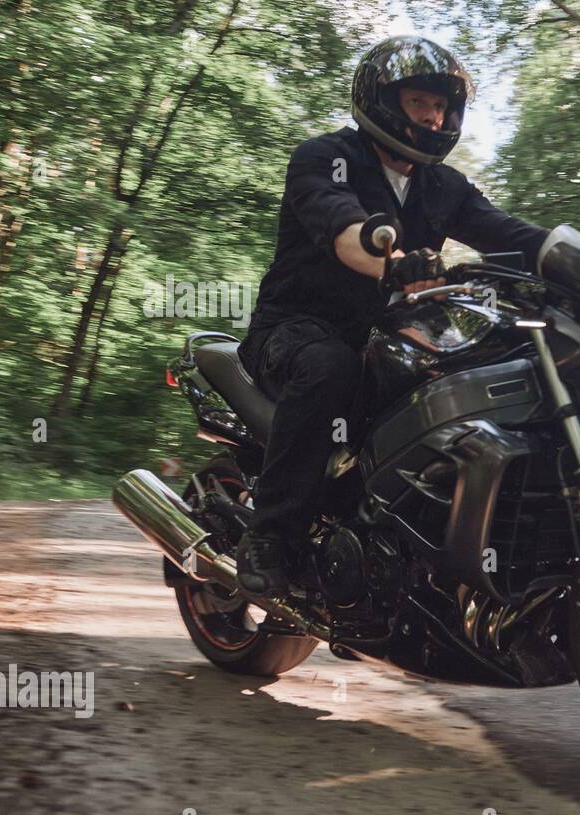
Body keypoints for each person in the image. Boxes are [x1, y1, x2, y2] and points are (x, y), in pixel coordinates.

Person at [234, 35, 549, 597]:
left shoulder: (443, 186)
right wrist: (394, 264)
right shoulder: (326, 157)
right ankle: (270, 537)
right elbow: (344, 229)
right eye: (419, 104)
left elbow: (513, 235)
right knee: (330, 368)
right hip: (295, 331)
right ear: (382, 101)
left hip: (387, 340)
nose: (434, 117)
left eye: (442, 107)